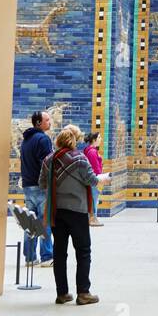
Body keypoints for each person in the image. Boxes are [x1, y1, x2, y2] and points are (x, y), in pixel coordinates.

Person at [39, 125, 111, 305]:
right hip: (77, 210)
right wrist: (103, 178)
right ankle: (83, 293)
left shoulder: (49, 159)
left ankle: (62, 293)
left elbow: (42, 184)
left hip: (56, 211)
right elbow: (92, 180)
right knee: (83, 251)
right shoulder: (80, 158)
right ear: (74, 140)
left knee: (59, 252)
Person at [19, 111, 55, 267]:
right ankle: (47, 257)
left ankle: (30, 257)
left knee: (30, 223)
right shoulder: (43, 139)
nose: (50, 122)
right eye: (47, 120)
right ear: (39, 123)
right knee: (44, 221)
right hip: (41, 187)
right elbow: (47, 164)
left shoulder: (26, 141)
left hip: (28, 186)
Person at [84, 129, 104, 227]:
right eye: (99, 137)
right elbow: (95, 168)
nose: (101, 139)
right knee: (93, 199)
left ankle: (92, 217)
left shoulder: (92, 150)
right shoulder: (92, 152)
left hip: (93, 179)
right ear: (94, 140)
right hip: (94, 180)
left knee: (93, 199)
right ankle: (93, 218)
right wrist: (100, 179)